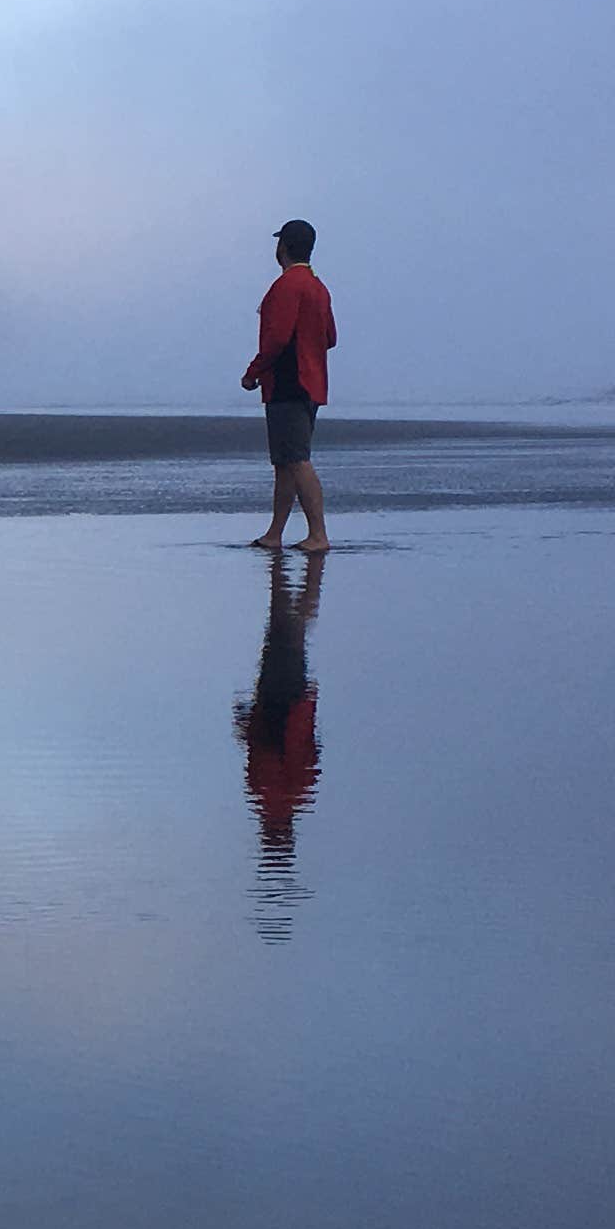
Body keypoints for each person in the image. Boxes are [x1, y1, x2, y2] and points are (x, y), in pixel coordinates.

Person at [235, 545, 325, 940]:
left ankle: (290, 589)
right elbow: (277, 746)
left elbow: (302, 746)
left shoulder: (293, 794)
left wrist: (307, 702)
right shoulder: (273, 793)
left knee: (285, 643)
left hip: (283, 702)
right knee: (282, 643)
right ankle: (291, 589)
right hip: (278, 702)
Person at [240, 218, 336, 552]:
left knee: (296, 459)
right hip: (311, 382)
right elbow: (331, 338)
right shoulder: (318, 287)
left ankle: (318, 534)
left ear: (283, 247)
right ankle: (274, 533)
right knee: (284, 462)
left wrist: (253, 371)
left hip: (289, 382)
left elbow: (277, 337)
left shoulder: (287, 286)